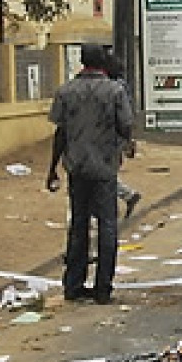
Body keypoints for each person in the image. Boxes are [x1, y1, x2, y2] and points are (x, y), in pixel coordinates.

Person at [47, 44, 133, 305]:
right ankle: (103, 287)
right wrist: (124, 142)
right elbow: (126, 125)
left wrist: (52, 167)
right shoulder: (114, 91)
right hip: (105, 165)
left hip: (76, 166)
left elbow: (60, 132)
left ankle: (74, 283)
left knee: (79, 224)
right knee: (107, 225)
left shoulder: (66, 91)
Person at [101, 53, 142, 220]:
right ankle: (127, 196)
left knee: (104, 175)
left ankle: (125, 198)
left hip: (109, 137)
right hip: (116, 137)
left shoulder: (112, 88)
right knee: (106, 174)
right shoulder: (122, 86)